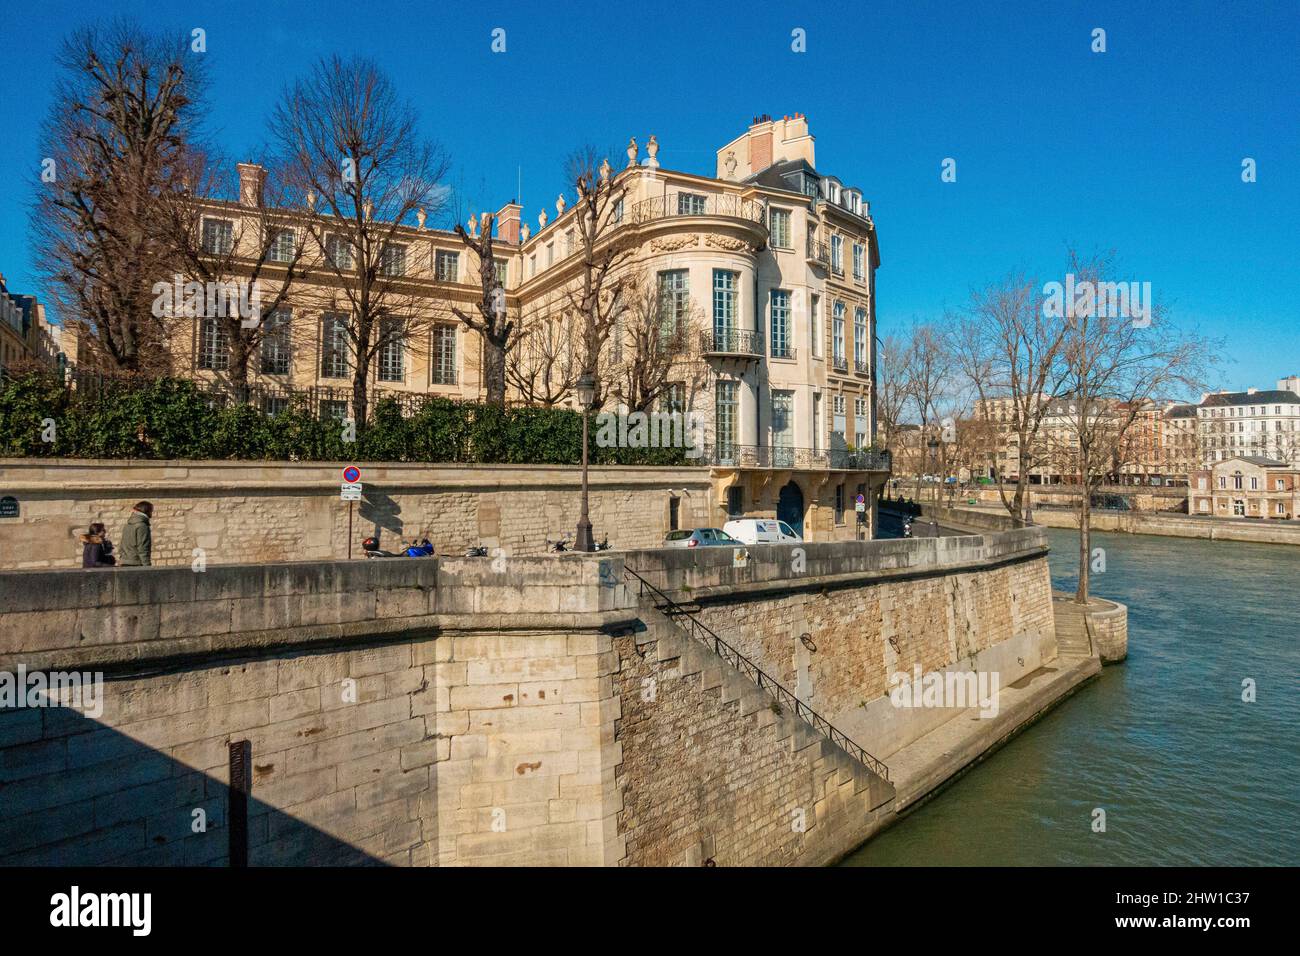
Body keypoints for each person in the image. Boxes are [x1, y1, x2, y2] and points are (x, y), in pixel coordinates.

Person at [119, 501, 153, 567]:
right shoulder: (142, 526)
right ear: (147, 511)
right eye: (151, 511)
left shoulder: (127, 525)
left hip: (124, 561)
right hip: (136, 563)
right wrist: (147, 566)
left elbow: (122, 546)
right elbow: (142, 548)